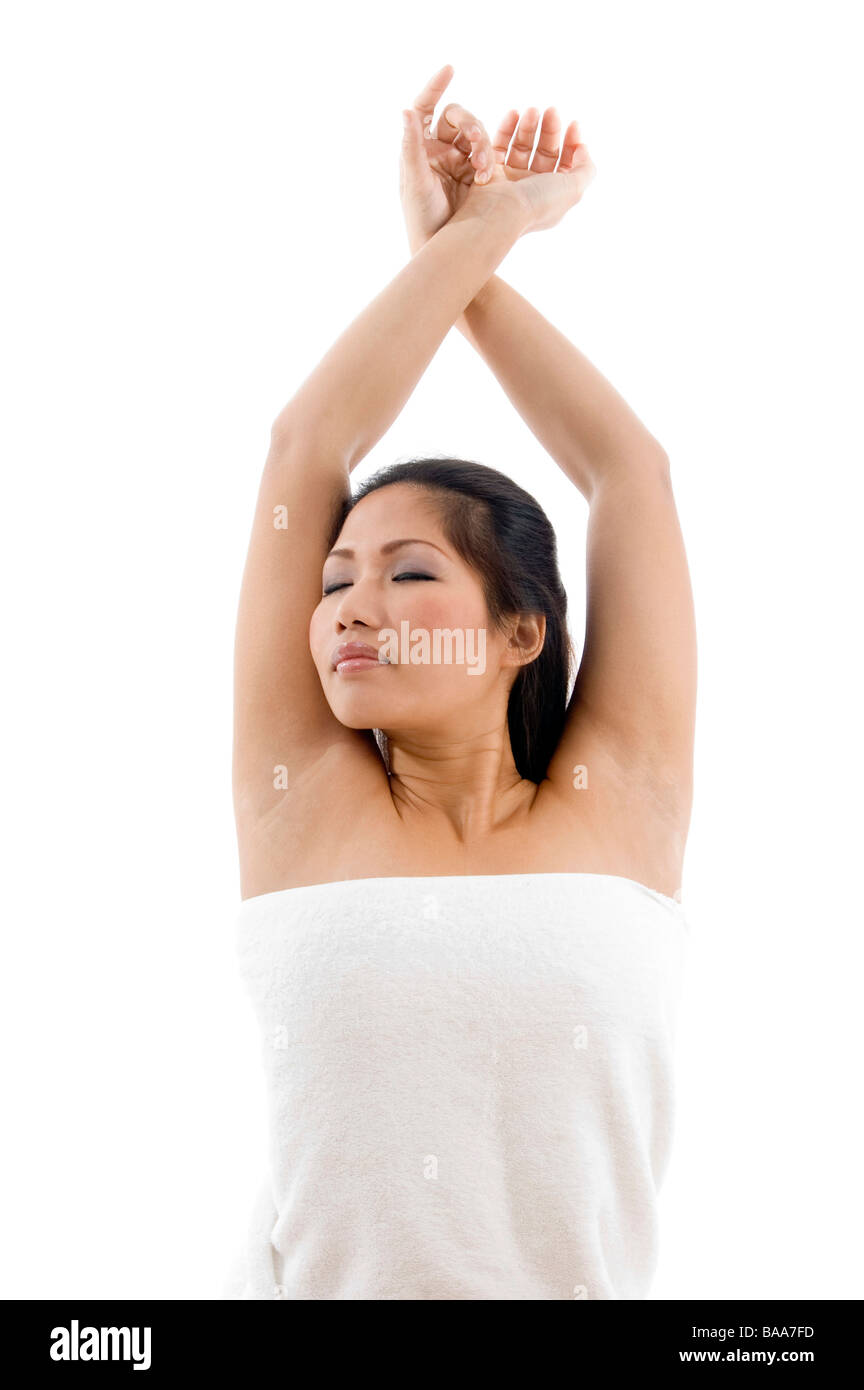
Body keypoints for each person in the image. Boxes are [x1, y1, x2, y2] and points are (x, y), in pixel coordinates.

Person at [223, 65, 696, 1301]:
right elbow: (305, 447)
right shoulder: (305, 804)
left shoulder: (616, 805)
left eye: (407, 571)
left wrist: (471, 261)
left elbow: (628, 474)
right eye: (331, 582)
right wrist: (486, 231)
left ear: (523, 632)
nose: (345, 611)